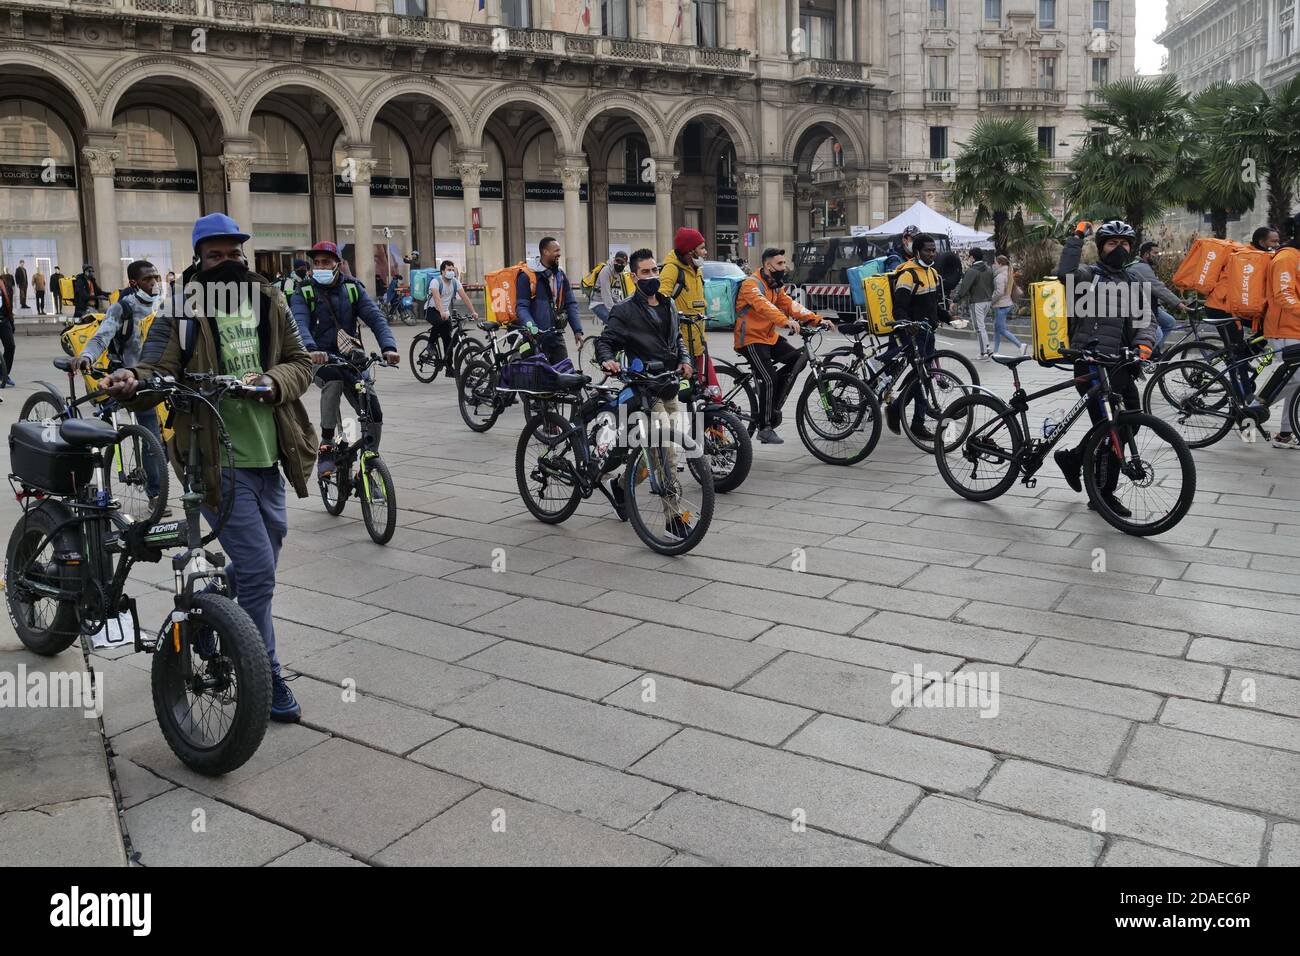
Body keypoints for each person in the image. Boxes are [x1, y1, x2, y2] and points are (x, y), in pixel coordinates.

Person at [102, 212, 318, 723]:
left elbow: (301, 361)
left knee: (268, 547)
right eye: (215, 255)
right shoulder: (183, 305)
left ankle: (210, 618)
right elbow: (157, 362)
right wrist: (132, 376)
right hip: (215, 454)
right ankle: (264, 672)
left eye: (233, 254)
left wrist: (272, 381)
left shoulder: (267, 298)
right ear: (199, 259)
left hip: (271, 448)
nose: (226, 263)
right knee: (260, 569)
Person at [1052, 220, 1157, 518]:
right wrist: (1076, 238)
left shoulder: (1135, 280)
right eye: (1113, 243)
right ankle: (1102, 495)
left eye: (1125, 243)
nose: (1119, 248)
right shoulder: (1088, 275)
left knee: (1131, 424)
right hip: (1092, 365)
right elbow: (1065, 274)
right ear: (1100, 248)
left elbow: (1146, 321)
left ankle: (1073, 459)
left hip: (1123, 365)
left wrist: (1144, 346)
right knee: (1110, 430)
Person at [594, 248, 696, 537]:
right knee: (666, 452)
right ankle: (674, 521)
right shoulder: (624, 310)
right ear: (634, 276)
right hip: (645, 390)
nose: (652, 276)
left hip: (670, 387)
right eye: (646, 272)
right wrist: (608, 359)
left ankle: (621, 483)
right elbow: (606, 341)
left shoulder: (669, 304)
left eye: (655, 271)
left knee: (670, 449)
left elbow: (677, 340)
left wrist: (685, 361)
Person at [290, 241, 399, 476]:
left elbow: (375, 318)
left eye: (326, 262)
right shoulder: (304, 291)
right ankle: (327, 445)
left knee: (373, 411)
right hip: (320, 360)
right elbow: (299, 323)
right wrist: (311, 349)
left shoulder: (352, 288)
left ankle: (369, 459)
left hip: (350, 358)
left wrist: (388, 348)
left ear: (337, 264)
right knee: (334, 380)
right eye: (316, 262)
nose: (320, 266)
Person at [75, 260, 169, 515]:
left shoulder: (165, 307)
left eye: (156, 277)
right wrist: (87, 356)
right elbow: (102, 336)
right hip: (126, 381)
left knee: (160, 439)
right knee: (114, 434)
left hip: (157, 380)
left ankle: (158, 486)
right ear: (133, 283)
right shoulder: (123, 308)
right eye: (148, 279)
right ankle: (88, 481)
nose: (154, 283)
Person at [734, 247, 834, 444]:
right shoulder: (751, 284)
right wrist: (785, 321)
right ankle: (764, 427)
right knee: (769, 376)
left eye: (784, 263)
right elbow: (764, 306)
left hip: (768, 337)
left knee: (798, 360)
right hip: (750, 339)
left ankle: (768, 399)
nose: (784, 267)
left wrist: (817, 320)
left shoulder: (774, 285)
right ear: (768, 265)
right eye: (780, 263)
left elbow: (791, 305)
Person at [1262, 215, 1300, 449]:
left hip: (1295, 327)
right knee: (1296, 378)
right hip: (1283, 328)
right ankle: (1257, 405)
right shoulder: (1286, 257)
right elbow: (1284, 295)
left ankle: (1285, 433)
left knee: (1295, 382)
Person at [516, 236, 583, 365]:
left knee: (564, 373)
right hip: (534, 337)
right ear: (545, 252)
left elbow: (570, 304)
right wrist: (531, 326)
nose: (560, 254)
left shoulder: (560, 275)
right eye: (556, 250)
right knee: (537, 379)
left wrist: (577, 330)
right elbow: (521, 306)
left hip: (555, 335)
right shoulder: (527, 275)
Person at [659, 228, 709, 371]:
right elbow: (661, 301)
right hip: (681, 346)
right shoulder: (672, 269)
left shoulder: (696, 269)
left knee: (700, 387)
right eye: (702, 248)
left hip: (698, 342)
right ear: (690, 251)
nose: (705, 252)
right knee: (683, 388)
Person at [1131, 241, 1186, 355]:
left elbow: (1151, 290)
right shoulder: (1141, 267)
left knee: (1169, 322)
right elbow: (1158, 288)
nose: (1158, 256)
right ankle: (1141, 357)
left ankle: (1155, 352)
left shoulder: (1146, 266)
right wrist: (1179, 304)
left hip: (1151, 305)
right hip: (1140, 308)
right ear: (1146, 254)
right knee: (1158, 334)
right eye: (1155, 253)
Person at [953, 247, 996, 358]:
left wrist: (955, 300)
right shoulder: (989, 269)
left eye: (969, 256)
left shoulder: (972, 271)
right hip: (987, 301)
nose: (968, 258)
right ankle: (986, 349)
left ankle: (985, 352)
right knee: (982, 326)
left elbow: (964, 288)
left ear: (972, 257)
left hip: (976, 302)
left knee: (979, 328)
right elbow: (993, 286)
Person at [990, 254, 1026, 357]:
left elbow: (999, 292)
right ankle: (996, 351)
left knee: (1001, 330)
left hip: (1001, 305)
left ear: (1000, 264)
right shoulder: (1007, 273)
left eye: (995, 263)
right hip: (1006, 304)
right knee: (997, 329)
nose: (994, 265)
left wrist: (991, 301)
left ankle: (1020, 345)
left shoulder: (1000, 276)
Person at [591, 250, 630, 324]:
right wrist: (614, 312)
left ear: (626, 264)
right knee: (613, 322)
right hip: (598, 302)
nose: (619, 264)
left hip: (612, 302)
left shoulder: (621, 274)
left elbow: (622, 293)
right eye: (617, 261)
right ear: (614, 260)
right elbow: (606, 294)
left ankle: (609, 333)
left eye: (622, 262)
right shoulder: (606, 271)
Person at [0, 268, 13, 386]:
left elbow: (9, 305)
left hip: (4, 320)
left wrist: (11, 323)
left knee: (10, 346)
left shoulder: (4, 284)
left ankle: (4, 373)